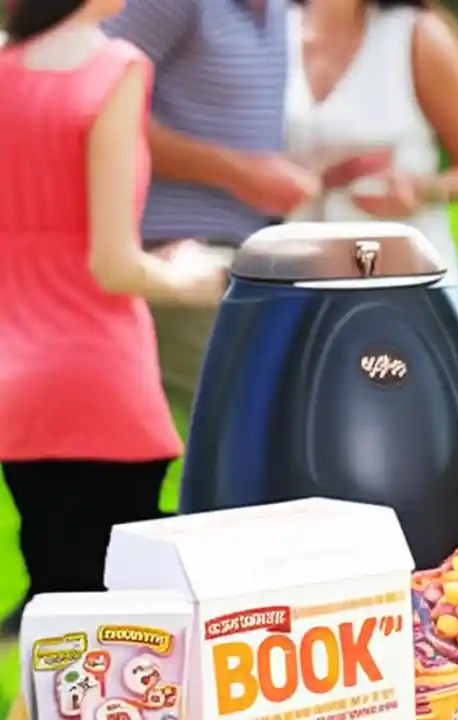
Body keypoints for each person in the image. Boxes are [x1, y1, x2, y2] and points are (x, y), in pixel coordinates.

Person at [0, 0, 227, 631]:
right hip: (97, 378)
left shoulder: (5, 71)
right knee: (117, 626)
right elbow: (112, 265)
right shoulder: (115, 69)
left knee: (58, 612)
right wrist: (195, 278)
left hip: (16, 383)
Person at [101, 0, 318, 429]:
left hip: (245, 262)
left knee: (277, 429)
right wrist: (237, 174)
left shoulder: (277, 11)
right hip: (172, 260)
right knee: (258, 429)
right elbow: (98, 104)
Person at [283, 0, 458, 284]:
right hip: (297, 278)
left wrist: (417, 191)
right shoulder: (273, 30)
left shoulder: (416, 36)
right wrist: (320, 180)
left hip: (401, 281)